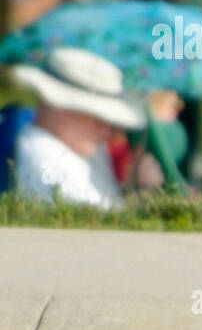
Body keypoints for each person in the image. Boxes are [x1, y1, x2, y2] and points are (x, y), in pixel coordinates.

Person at [10, 46, 145, 208]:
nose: (106, 130)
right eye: (98, 119)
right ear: (62, 108)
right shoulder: (43, 160)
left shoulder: (80, 149)